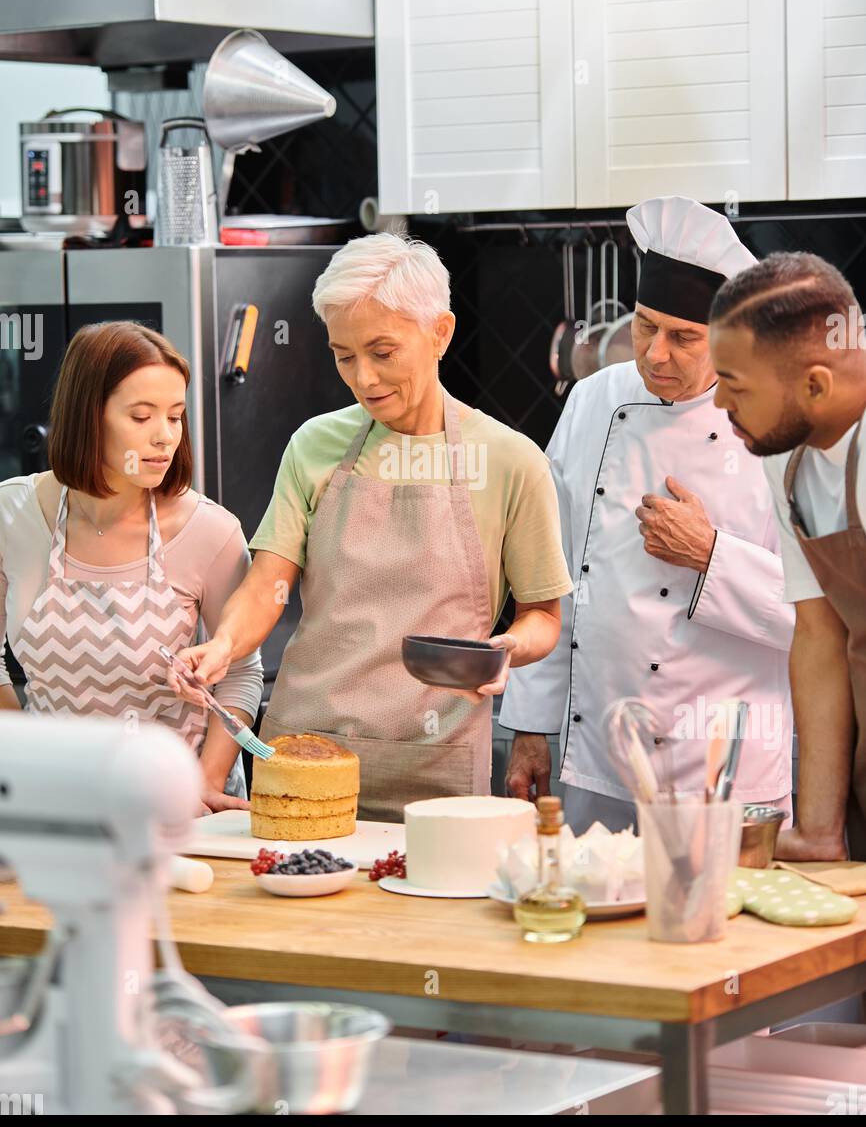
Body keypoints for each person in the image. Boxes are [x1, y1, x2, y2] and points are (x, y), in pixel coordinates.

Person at [170, 231, 573, 823]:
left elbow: (542, 616)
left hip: (436, 767)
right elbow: (267, 586)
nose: (363, 378)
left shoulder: (513, 462)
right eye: (343, 355)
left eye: (382, 352)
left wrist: (509, 646)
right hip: (304, 757)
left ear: (441, 333)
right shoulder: (314, 446)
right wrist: (224, 645)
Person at [500, 197, 795, 833]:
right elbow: (548, 577)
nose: (655, 354)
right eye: (643, 326)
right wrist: (530, 725)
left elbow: (820, 619)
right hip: (600, 758)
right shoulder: (593, 400)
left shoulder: (785, 424)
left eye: (684, 337)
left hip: (723, 767)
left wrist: (711, 554)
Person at [0, 321, 263, 813]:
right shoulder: (12, 515)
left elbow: (242, 672)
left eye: (175, 416)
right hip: (57, 806)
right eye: (141, 417)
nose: (165, 437)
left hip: (179, 812)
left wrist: (203, 785)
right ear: (87, 417)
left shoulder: (211, 532)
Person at [710, 251, 866, 860]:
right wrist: (820, 830)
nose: (720, 404)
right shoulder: (789, 458)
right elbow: (822, 635)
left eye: (735, 385)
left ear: (815, 385)